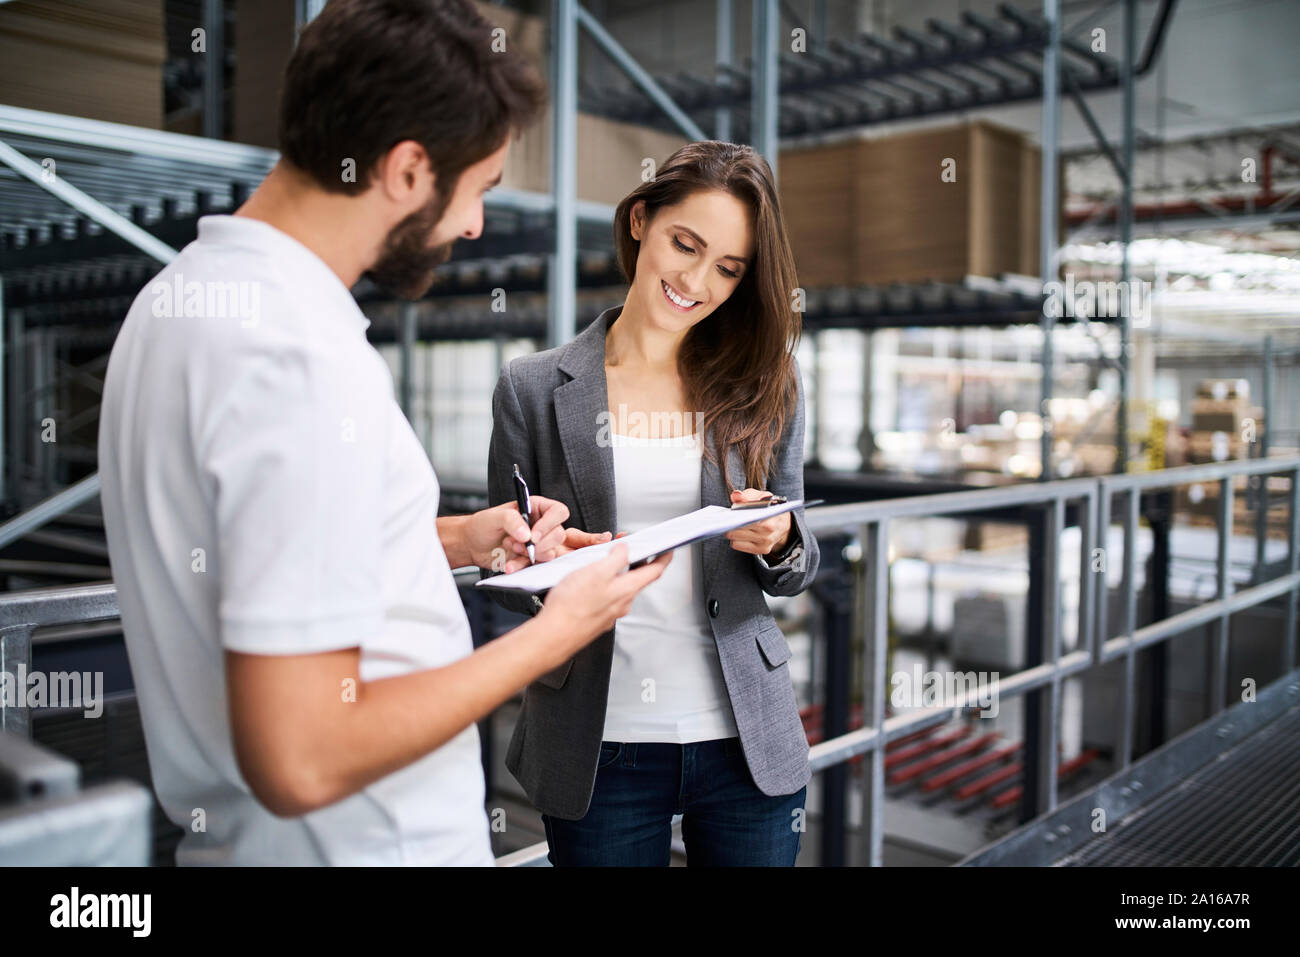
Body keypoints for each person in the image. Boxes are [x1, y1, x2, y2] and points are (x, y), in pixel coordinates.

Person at [97, 0, 668, 866]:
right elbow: (303, 754)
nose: (473, 224)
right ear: (405, 169)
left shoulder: (179, 304)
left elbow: (262, 549)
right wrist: (558, 629)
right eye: (476, 188)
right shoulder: (294, 356)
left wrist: (453, 540)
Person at [486, 140, 821, 866]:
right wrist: (534, 564)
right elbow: (504, 564)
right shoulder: (534, 386)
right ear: (641, 219)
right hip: (601, 741)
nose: (696, 280)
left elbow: (797, 565)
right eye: (685, 244)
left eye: (728, 268)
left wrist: (780, 536)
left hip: (743, 738)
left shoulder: (768, 381)